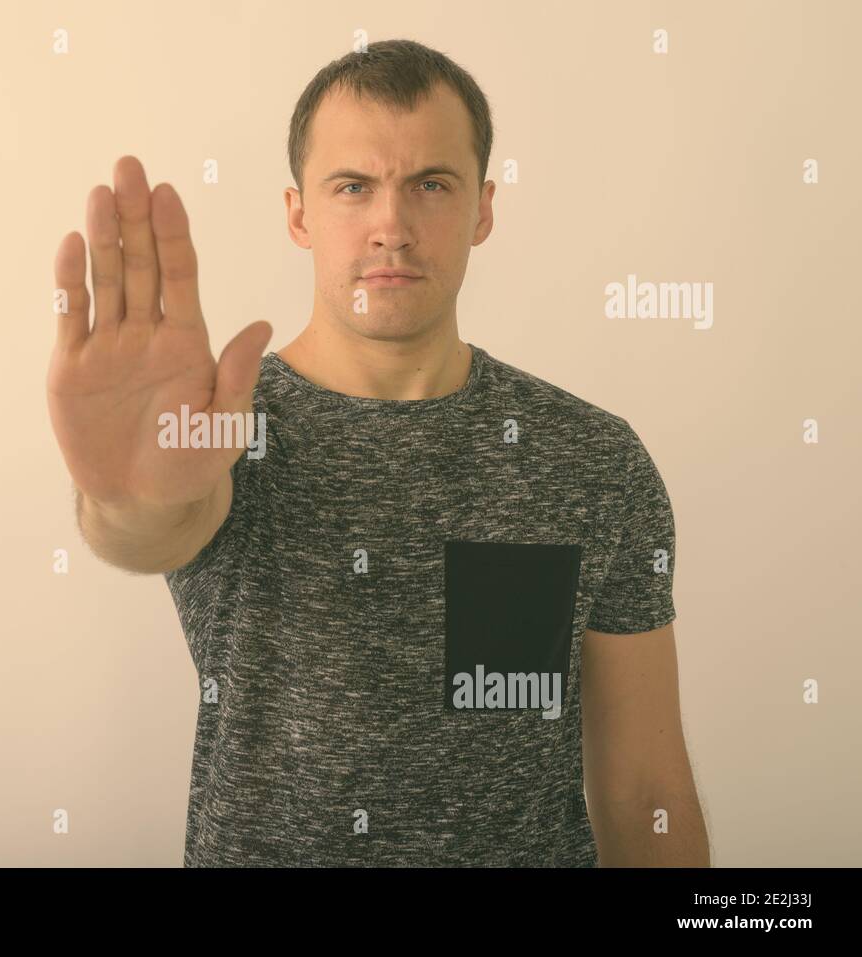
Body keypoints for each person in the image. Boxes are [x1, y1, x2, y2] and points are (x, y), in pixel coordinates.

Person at [47, 38, 709, 867]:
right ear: (299, 214)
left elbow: (644, 787)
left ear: (482, 209)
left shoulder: (590, 459)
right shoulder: (230, 430)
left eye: (430, 184)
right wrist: (123, 492)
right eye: (353, 187)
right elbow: (154, 524)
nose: (391, 226)